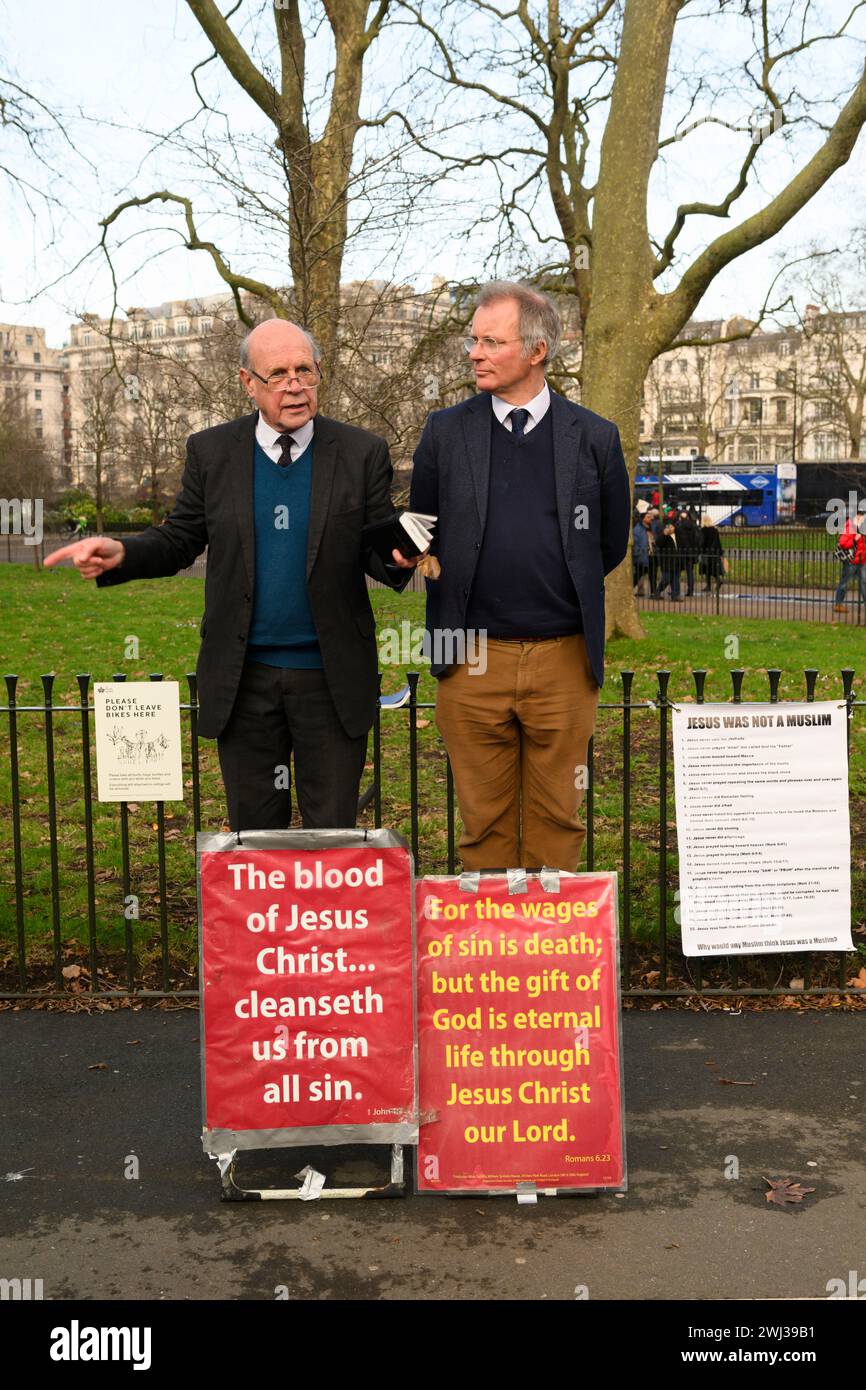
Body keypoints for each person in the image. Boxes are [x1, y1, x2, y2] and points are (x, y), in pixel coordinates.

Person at [45, 318, 422, 831]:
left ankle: (319, 912)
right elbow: (179, 539)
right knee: (255, 834)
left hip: (331, 679)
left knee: (332, 835)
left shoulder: (361, 452)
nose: (295, 384)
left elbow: (373, 548)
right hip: (243, 679)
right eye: (279, 373)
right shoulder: (212, 452)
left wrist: (398, 558)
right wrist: (123, 552)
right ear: (249, 383)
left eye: (305, 370)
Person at [400, 280, 630, 873]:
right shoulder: (444, 433)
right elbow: (423, 532)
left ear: (536, 350)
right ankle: (492, 953)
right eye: (473, 340)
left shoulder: (596, 438)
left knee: (559, 818)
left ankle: (551, 948)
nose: (474, 353)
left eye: (490, 342)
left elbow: (605, 545)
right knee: (483, 824)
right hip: (470, 656)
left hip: (564, 656)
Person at [832, 506, 866, 612]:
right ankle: (838, 604)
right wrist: (855, 540)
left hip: (862, 560)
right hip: (851, 561)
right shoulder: (850, 526)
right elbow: (843, 543)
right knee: (844, 582)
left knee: (864, 582)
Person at [652, 522, 682, 600]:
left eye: (671, 526)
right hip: (667, 561)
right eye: (668, 527)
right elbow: (658, 543)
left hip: (677, 561)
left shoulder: (678, 536)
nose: (670, 528)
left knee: (675, 579)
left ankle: (675, 595)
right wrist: (664, 534)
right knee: (666, 579)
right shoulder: (664, 536)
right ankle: (657, 592)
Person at [675, 507, 700, 598]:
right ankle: (690, 591)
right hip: (690, 552)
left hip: (680, 552)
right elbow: (697, 539)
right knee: (690, 573)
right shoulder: (693, 526)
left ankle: (676, 590)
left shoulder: (677, 526)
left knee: (677, 572)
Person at [632, 510, 650, 596]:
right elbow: (636, 543)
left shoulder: (646, 528)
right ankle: (632, 587)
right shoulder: (638, 529)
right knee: (638, 574)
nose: (650, 518)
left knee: (641, 574)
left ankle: (640, 589)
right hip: (640, 556)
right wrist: (638, 553)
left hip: (645, 555)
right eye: (648, 517)